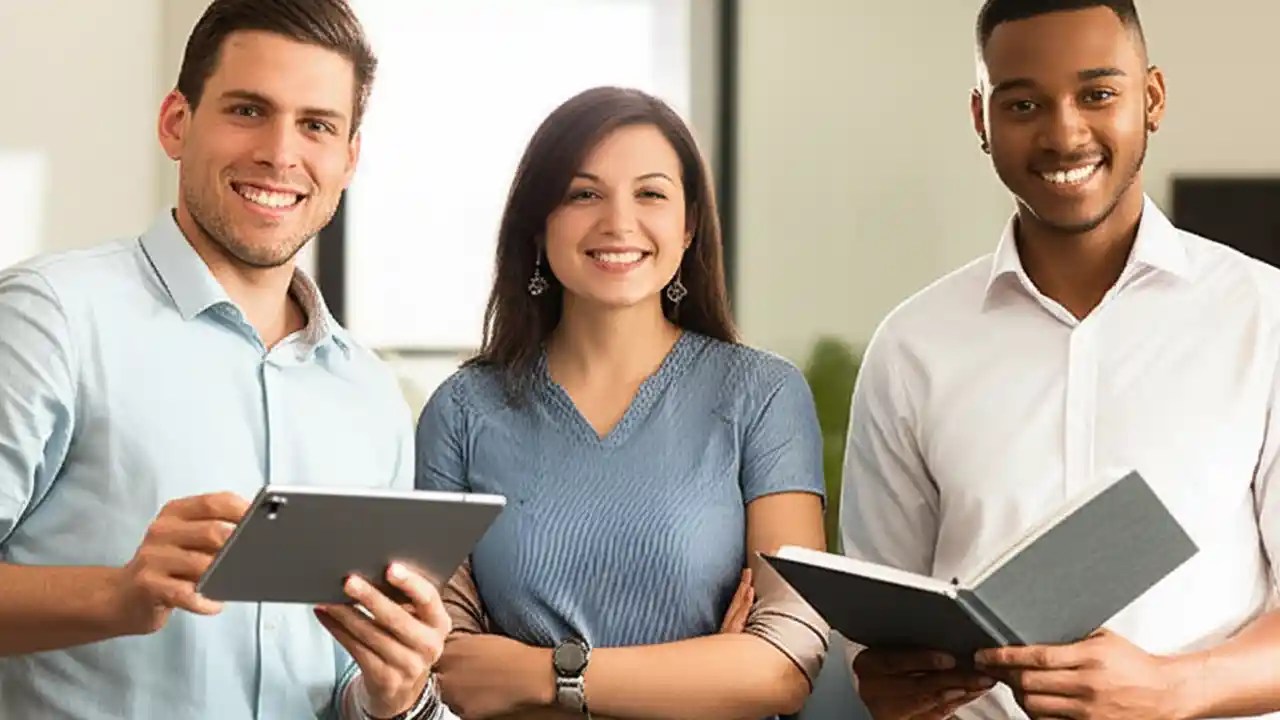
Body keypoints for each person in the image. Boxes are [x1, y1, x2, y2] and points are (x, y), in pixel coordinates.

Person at [0, 1, 456, 718]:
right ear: (176, 123)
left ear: (349, 158)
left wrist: (390, 694)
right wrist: (115, 596)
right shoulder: (50, 316)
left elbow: (331, 682)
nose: (280, 153)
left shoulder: (370, 393)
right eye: (248, 110)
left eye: (316, 125)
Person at [840, 1, 1280, 719]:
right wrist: (887, 680)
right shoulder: (911, 348)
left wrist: (1171, 690)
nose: (1064, 132)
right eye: (1023, 104)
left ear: (1154, 98)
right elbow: (879, 628)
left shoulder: (1265, 320)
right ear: (982, 120)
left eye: (1098, 94)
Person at [414, 85, 830, 719]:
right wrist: (699, 678)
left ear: (688, 225)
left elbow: (784, 661)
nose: (618, 222)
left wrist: (538, 671)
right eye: (584, 194)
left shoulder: (763, 396)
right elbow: (446, 670)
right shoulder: (463, 411)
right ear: (538, 223)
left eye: (651, 194)